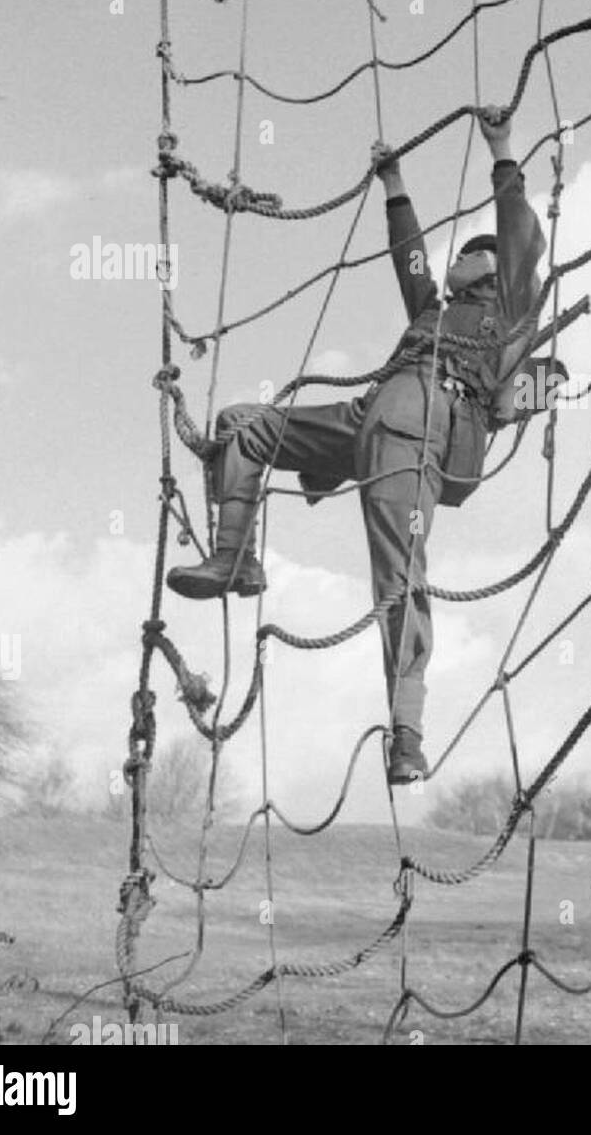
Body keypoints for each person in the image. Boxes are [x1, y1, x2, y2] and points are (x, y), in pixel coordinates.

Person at [165, 107, 556, 784]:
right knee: (242, 424)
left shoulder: (511, 303)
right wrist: (393, 183)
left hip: (421, 424)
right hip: (371, 417)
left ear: (488, 266)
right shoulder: (434, 312)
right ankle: (234, 559)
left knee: (397, 575)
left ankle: (406, 731)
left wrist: (500, 149)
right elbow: (408, 261)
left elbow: (519, 226)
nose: (455, 259)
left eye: (468, 253)